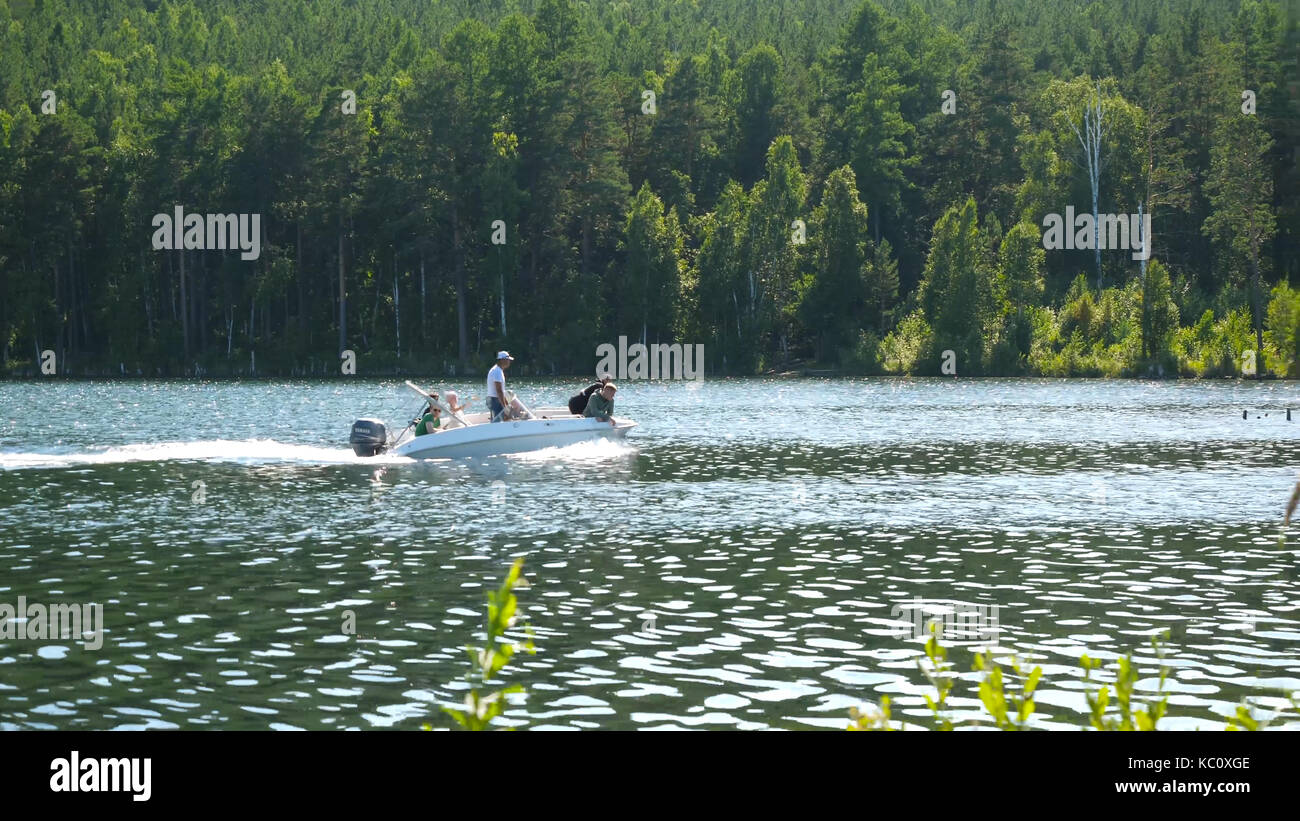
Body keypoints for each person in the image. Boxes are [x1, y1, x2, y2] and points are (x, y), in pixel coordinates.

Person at [486, 351, 514, 421]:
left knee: (503, 419)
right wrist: (505, 408)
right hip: (495, 400)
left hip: (495, 399)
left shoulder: (498, 370)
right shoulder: (497, 371)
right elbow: (499, 390)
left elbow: (501, 391)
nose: (509, 362)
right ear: (502, 360)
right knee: (497, 422)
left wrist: (506, 405)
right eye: (507, 360)